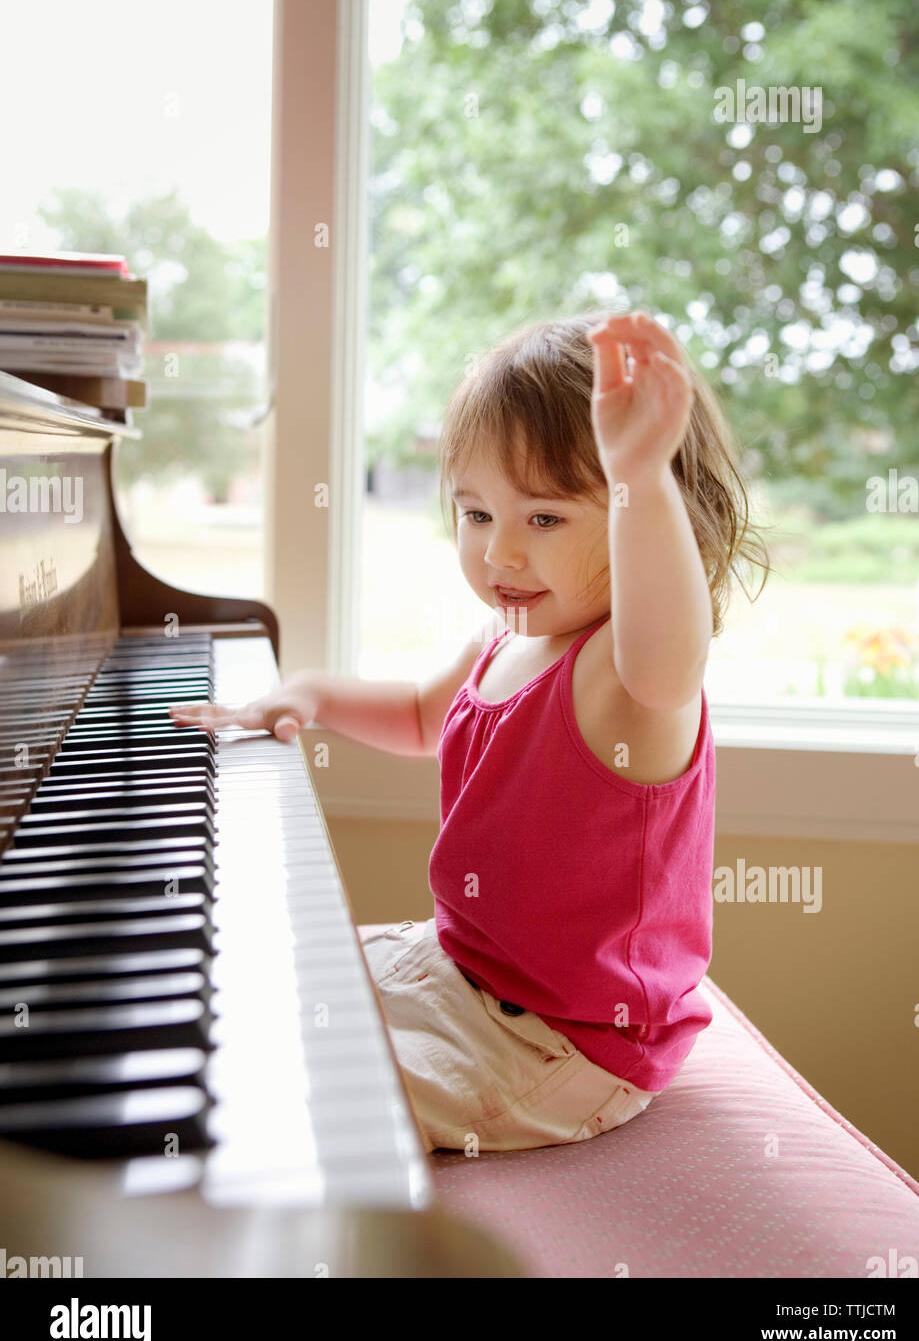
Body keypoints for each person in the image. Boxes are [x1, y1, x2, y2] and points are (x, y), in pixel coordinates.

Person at [170, 309, 770, 1154]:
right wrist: (308, 693)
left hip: (560, 1038)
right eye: (477, 515)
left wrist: (638, 469)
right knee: (244, 1013)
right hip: (462, 969)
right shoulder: (508, 637)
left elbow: (671, 657)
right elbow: (423, 713)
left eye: (546, 519)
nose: (500, 557)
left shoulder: (629, 682)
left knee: (294, 1106)